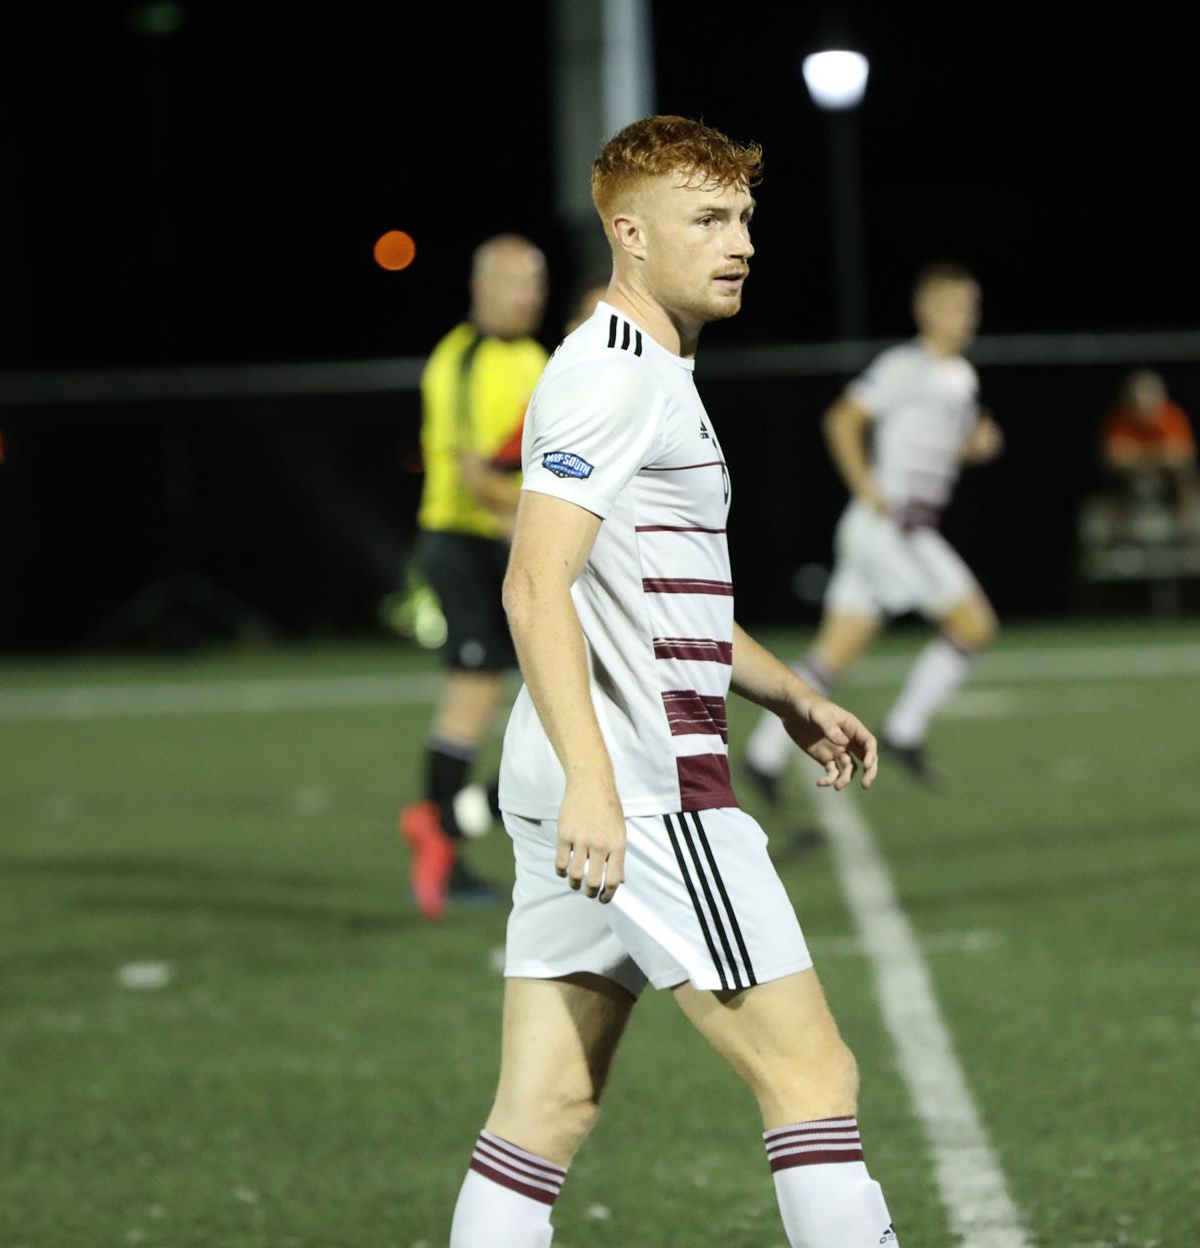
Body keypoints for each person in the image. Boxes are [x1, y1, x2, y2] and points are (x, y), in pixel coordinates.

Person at [449, 115, 899, 1248]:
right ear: (629, 235)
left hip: (584, 774)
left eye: (743, 216)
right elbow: (533, 588)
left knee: (542, 1110)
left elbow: (654, 595)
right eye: (707, 219)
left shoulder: (645, 369)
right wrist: (603, 790)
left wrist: (789, 691)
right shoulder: (612, 375)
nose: (738, 240)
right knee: (813, 1078)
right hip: (641, 786)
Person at [741, 263, 1003, 797]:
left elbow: (940, 442)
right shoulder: (906, 364)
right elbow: (841, 419)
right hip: (892, 529)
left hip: (889, 531)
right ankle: (905, 730)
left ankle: (763, 754)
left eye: (971, 307)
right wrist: (866, 486)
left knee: (835, 653)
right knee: (974, 624)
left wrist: (973, 447)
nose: (966, 318)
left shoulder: (960, 377)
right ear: (926, 311)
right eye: (956, 306)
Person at [399, 235, 549, 919]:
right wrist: (548, 524)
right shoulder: (459, 362)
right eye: (517, 281)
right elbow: (473, 478)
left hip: (512, 541)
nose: (530, 294)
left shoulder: (534, 357)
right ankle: (449, 841)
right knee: (477, 693)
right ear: (480, 286)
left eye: (536, 281)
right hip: (464, 543)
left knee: (550, 694)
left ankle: (446, 827)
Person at [1098, 368, 1200, 541]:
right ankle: (1121, 538)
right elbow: (1113, 457)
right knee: (1113, 479)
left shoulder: (1172, 415)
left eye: (1150, 397)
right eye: (1136, 399)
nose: (1144, 405)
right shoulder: (1119, 419)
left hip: (1165, 479)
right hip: (1130, 479)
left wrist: (1138, 454)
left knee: (1186, 477)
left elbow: (1182, 455)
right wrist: (1158, 454)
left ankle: (1189, 533)